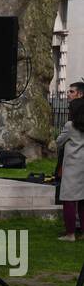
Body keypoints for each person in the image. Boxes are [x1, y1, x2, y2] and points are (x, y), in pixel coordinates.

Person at [55, 96, 84, 241]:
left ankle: (70, 234)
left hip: (73, 166)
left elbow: (59, 141)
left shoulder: (70, 126)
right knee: (83, 200)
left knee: (69, 200)